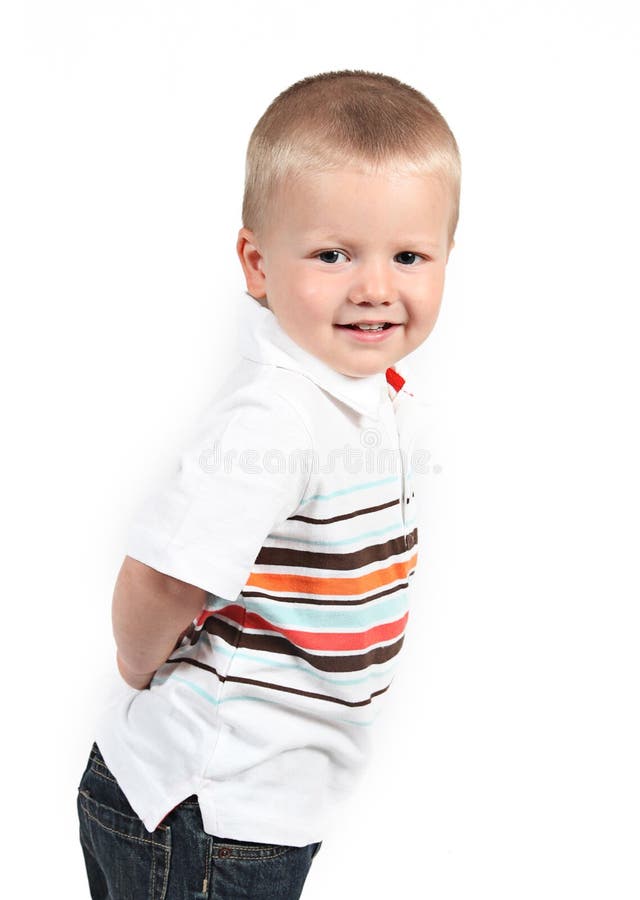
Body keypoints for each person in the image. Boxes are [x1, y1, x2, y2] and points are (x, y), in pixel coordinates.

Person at [77, 68, 461, 899]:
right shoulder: (276, 420)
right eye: (332, 254)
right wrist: (134, 664)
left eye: (408, 256)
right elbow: (163, 573)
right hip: (203, 811)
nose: (374, 287)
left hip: (268, 805)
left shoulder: (365, 393)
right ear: (257, 263)